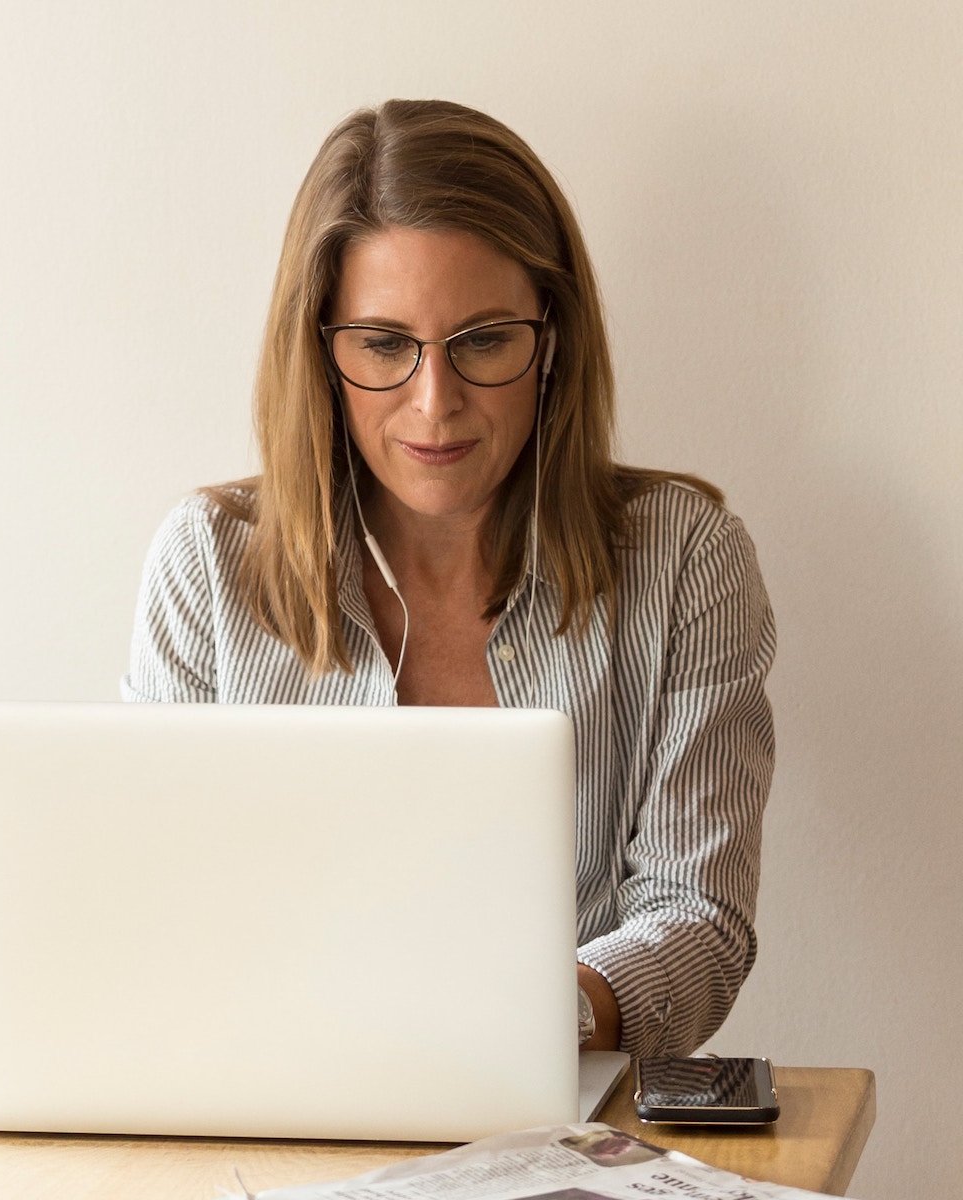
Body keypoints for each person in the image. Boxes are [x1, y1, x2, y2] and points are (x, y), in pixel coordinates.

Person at [123, 99, 776, 1058]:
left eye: (482, 341)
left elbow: (700, 920)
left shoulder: (684, 560)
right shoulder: (206, 565)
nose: (436, 404)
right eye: (385, 345)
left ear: (550, 339)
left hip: (564, 1126)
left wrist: (522, 1022)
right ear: (321, 352)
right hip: (271, 1112)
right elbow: (155, 911)